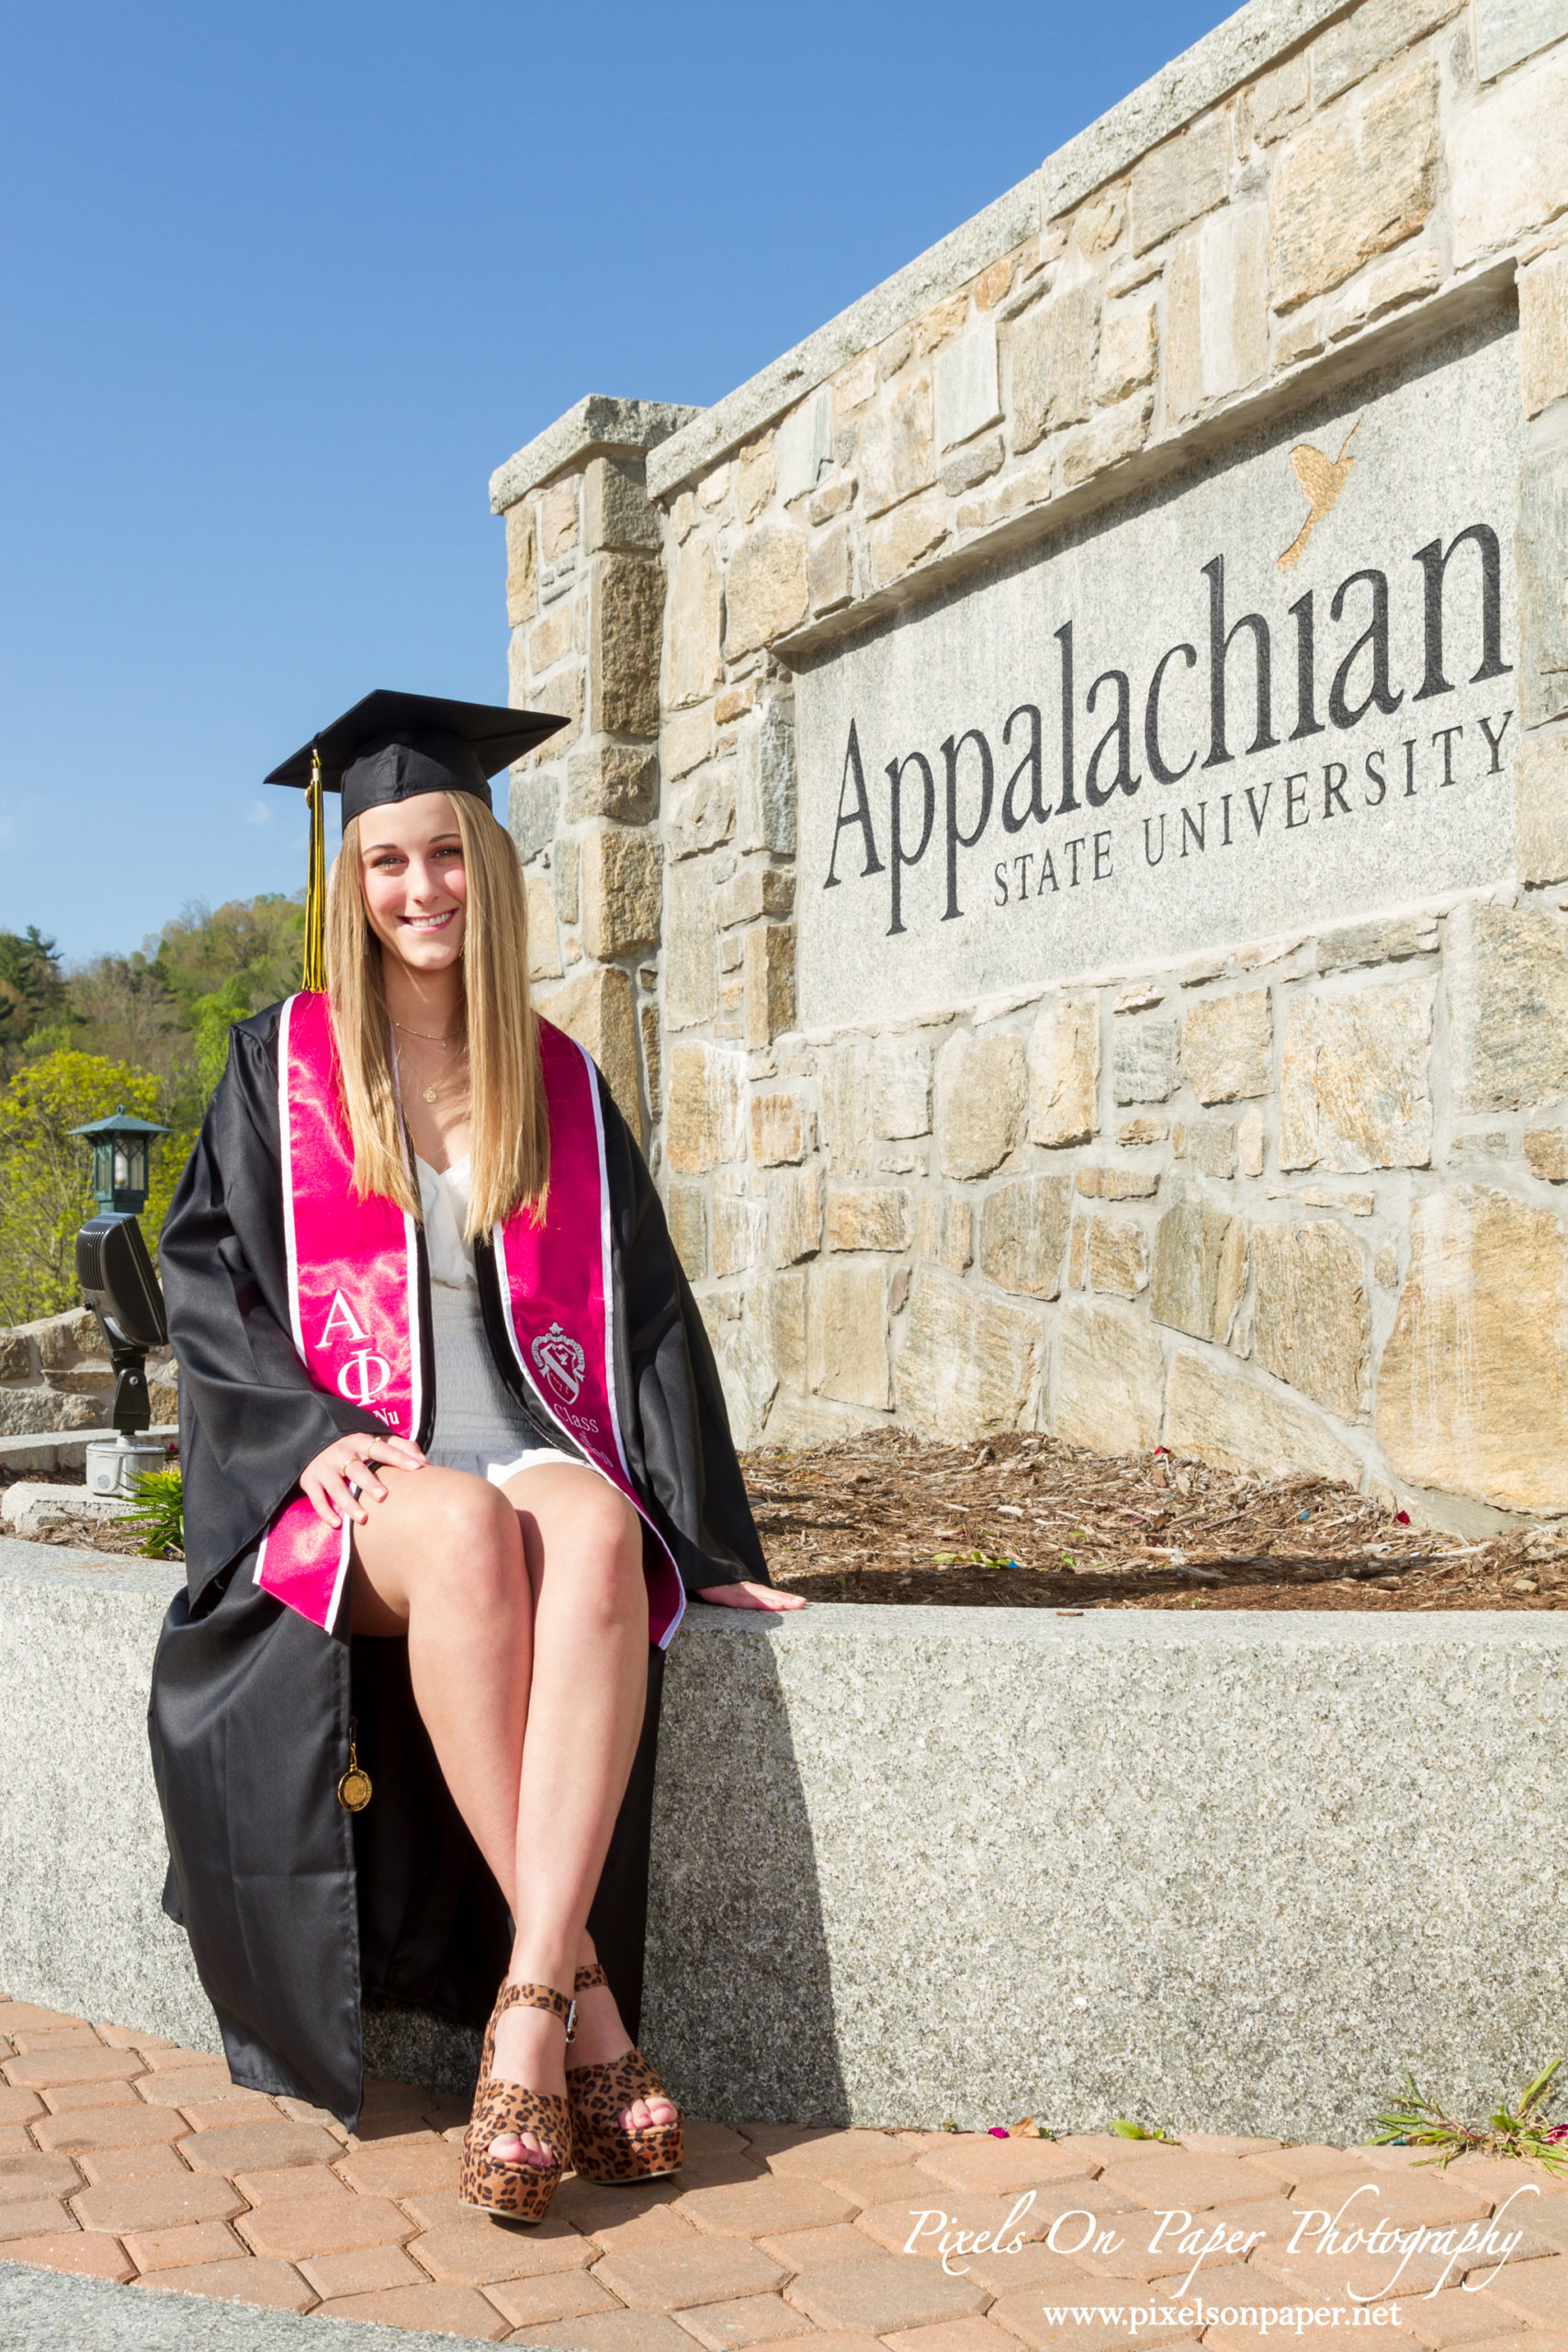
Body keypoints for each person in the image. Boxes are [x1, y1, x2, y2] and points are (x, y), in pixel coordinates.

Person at [148, 690, 803, 2222]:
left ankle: (529, 2002)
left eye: (446, 855)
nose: (420, 890)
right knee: (456, 1533)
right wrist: (306, 1437)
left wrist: (705, 1546)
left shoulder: (559, 1077)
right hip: (372, 1479)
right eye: (387, 864)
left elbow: (645, 1325)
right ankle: (581, 2017)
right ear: (349, 882)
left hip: (531, 1436)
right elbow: (210, 1283)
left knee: (593, 1540)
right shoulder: (282, 1063)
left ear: (488, 871)